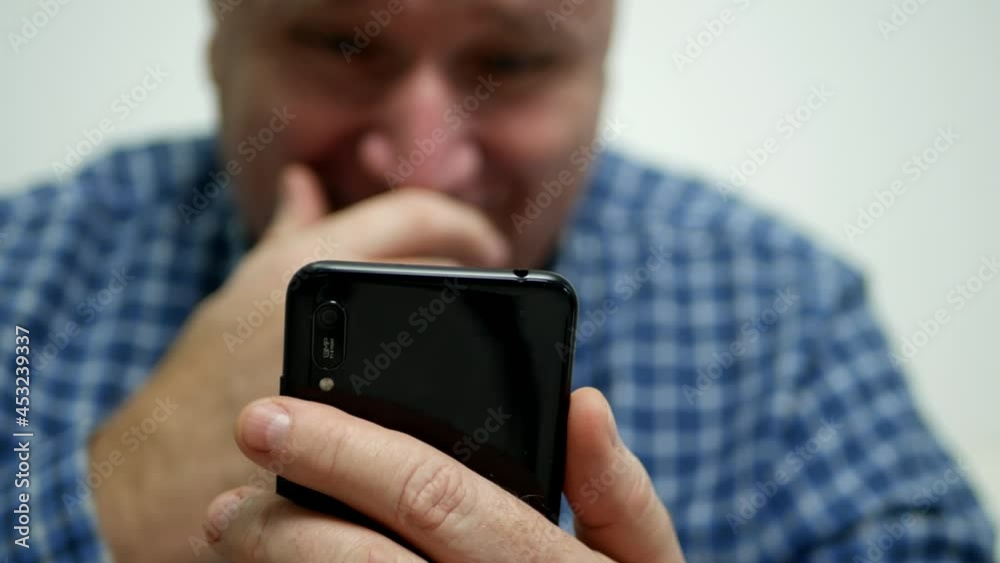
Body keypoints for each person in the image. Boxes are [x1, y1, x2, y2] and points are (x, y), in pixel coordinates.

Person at [1, 0, 994, 561]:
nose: (420, 164)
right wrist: (108, 508)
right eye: (340, 42)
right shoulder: (26, 267)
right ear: (219, 35)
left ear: (602, 63)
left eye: (510, 62)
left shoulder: (781, 314)